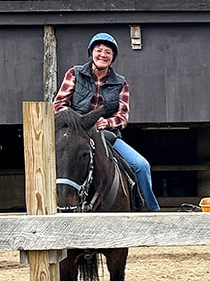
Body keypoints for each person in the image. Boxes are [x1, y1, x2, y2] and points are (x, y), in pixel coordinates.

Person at [53, 32, 160, 212]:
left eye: (108, 52)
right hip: (77, 133)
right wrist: (80, 121)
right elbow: (59, 104)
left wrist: (107, 123)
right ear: (91, 53)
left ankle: (152, 211)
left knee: (141, 165)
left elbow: (123, 116)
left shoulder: (121, 83)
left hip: (107, 134)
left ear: (112, 57)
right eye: (99, 50)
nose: (103, 54)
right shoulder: (74, 73)